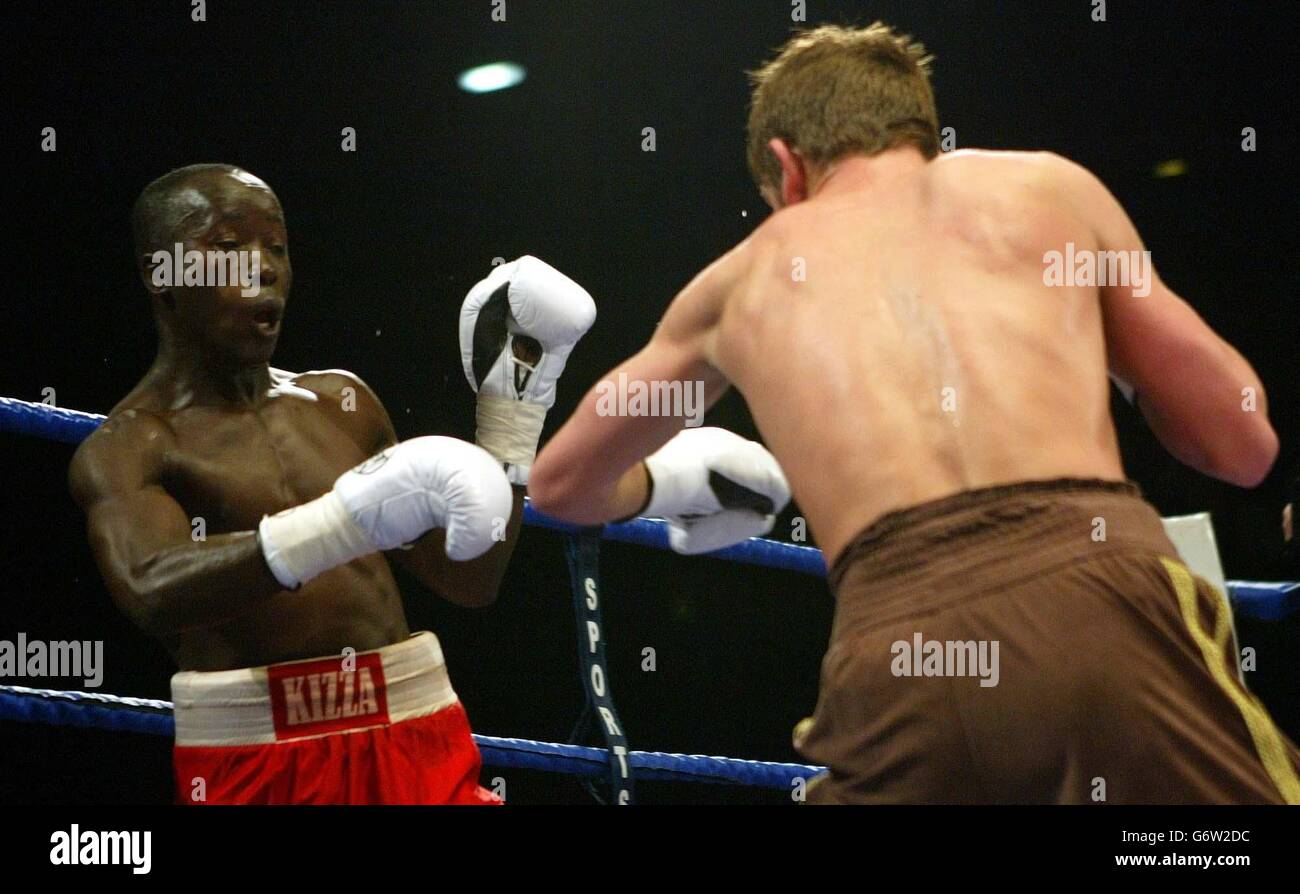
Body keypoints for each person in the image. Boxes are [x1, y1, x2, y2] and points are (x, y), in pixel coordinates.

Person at [528, 23, 1299, 803]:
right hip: (1106, 606)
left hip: (899, 656)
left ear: (787, 169)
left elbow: (560, 485)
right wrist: (1116, 352)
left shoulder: (737, 285)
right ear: (919, 129)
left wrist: (666, 484)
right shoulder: (1051, 192)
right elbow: (1242, 443)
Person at [68, 164, 595, 804]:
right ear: (164, 277)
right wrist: (341, 523)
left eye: (277, 248)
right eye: (229, 248)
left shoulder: (342, 402)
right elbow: (148, 587)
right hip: (265, 761)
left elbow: (471, 578)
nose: (262, 267)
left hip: (417, 731)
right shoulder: (132, 446)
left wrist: (513, 419)